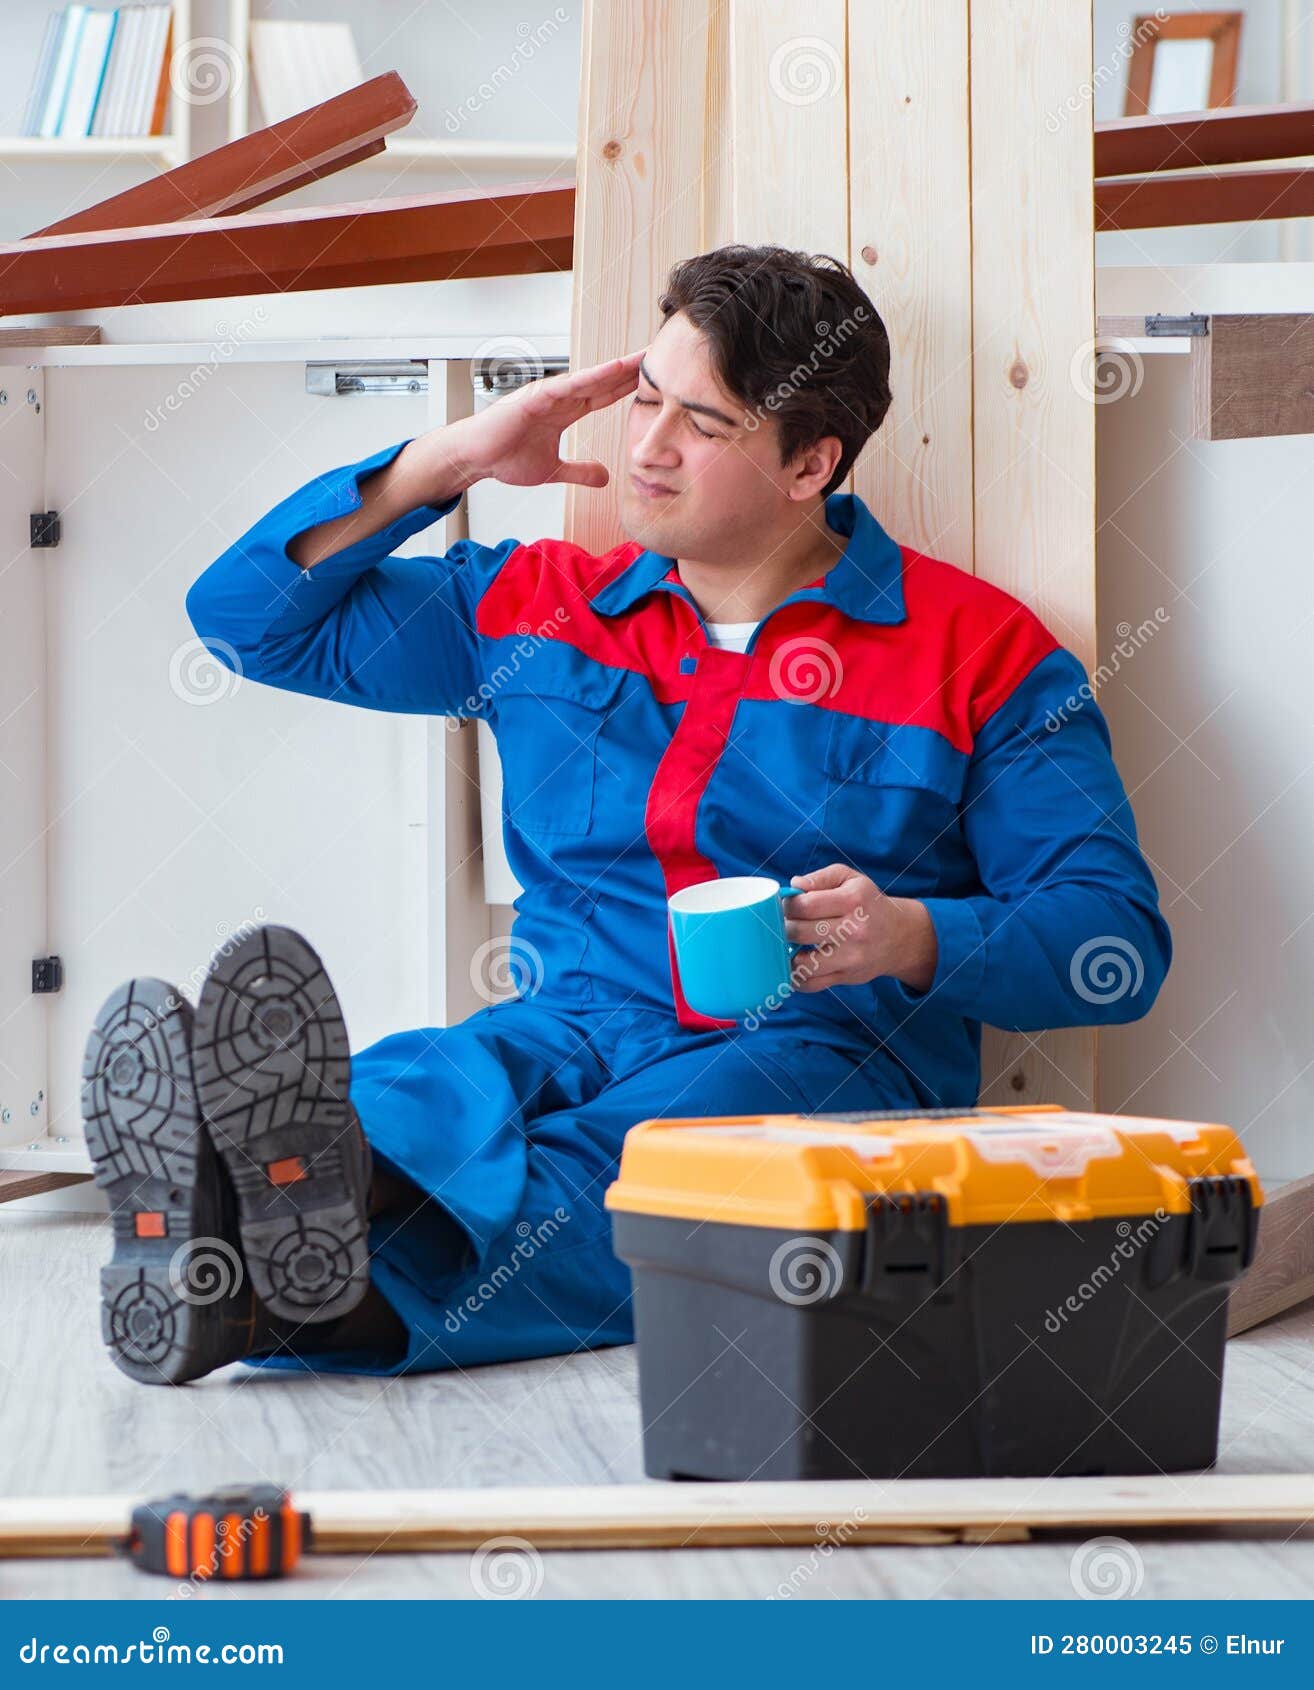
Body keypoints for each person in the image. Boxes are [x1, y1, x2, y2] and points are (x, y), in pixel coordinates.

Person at [84, 244, 1172, 1385]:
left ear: (812, 464)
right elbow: (247, 621)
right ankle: (278, 1217)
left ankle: (251, 1249)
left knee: (651, 1170)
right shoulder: (541, 605)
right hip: (573, 1015)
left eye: (702, 423)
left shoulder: (981, 656)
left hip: (815, 1054)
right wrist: (444, 462)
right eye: (646, 397)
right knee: (430, 1083)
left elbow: (1113, 944)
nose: (646, 446)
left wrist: (909, 936)